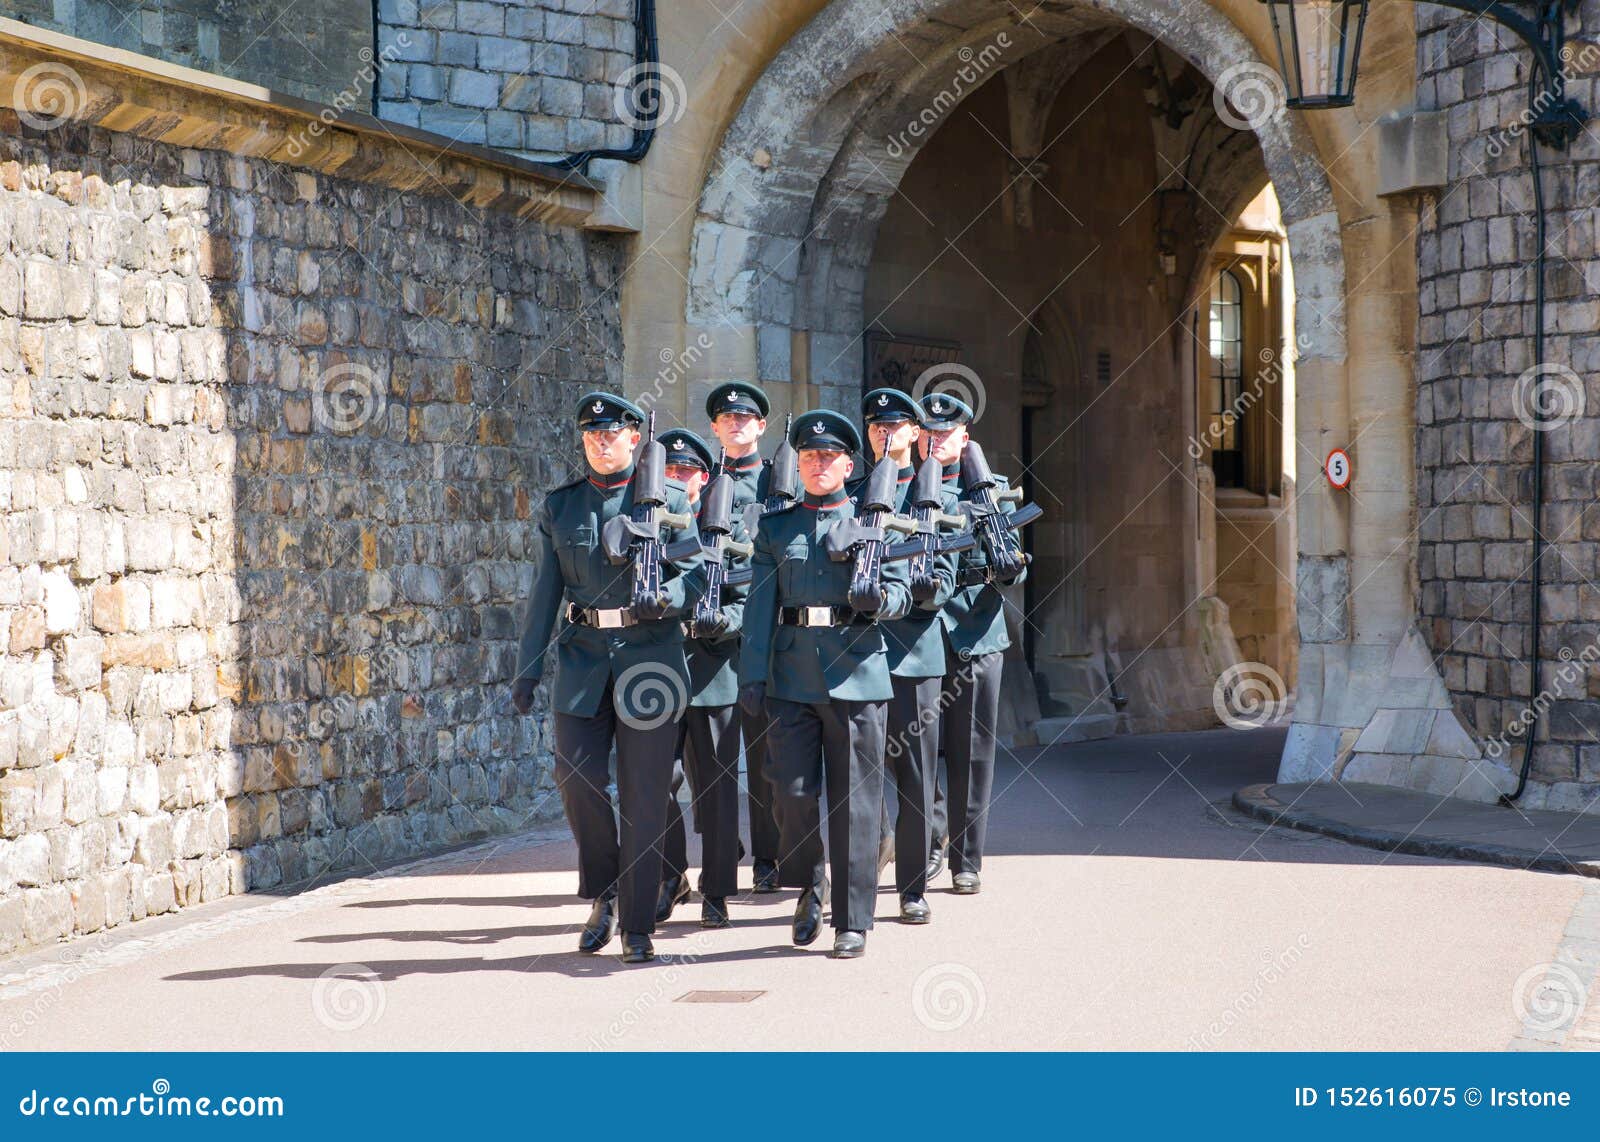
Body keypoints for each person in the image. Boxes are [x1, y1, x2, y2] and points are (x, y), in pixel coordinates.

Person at [512, 392, 702, 963]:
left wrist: (664, 598)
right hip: (583, 661)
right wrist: (527, 669)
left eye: (611, 432)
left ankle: (637, 923)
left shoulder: (667, 501)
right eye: (590, 433)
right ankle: (609, 887)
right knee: (576, 776)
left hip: (651, 660)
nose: (600, 441)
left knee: (645, 795)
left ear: (634, 439)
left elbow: (697, 575)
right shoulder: (562, 507)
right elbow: (544, 595)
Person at [738, 410, 911, 959]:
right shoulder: (776, 527)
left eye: (829, 456)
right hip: (791, 679)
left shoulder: (874, 518)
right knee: (789, 795)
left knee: (858, 803)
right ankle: (812, 882)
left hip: (858, 674)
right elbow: (759, 609)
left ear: (849, 463)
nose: (818, 464)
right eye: (809, 456)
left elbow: (904, 590)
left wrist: (879, 599)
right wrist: (752, 677)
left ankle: (853, 921)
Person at [917, 393, 1025, 895]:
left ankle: (966, 857)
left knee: (971, 752)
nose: (936, 440)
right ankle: (929, 838)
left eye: (947, 433)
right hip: (915, 639)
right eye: (928, 433)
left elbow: (1013, 561)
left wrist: (1009, 569)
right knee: (915, 752)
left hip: (975, 636)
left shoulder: (992, 490)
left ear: (966, 437)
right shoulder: (897, 488)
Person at [861, 388, 957, 924]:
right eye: (876, 425)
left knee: (916, 773)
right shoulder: (853, 492)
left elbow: (946, 576)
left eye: (895, 425)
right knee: (860, 773)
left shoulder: (931, 495)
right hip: (860, 654)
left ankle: (913, 885)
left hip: (915, 652)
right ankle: (863, 872)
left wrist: (925, 591)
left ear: (915, 435)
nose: (884, 432)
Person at [657, 428, 746, 928]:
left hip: (713, 672)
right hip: (659, 675)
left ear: (704, 478)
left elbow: (746, 604)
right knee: (656, 781)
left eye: (687, 471)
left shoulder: (728, 530)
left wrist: (723, 622)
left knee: (715, 788)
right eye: (669, 470)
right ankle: (672, 875)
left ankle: (717, 890)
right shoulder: (650, 527)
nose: (678, 478)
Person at [705, 381, 784, 894]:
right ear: (714, 427)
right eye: (726, 418)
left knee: (764, 755)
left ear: (761, 426)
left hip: (762, 634)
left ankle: (768, 856)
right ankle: (720, 844)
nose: (735, 424)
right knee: (712, 756)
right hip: (710, 636)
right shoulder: (699, 481)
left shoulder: (781, 485)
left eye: (745, 418)